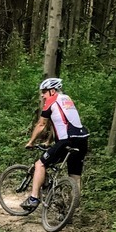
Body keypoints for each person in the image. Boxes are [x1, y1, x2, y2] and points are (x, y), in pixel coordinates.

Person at [23, 77, 88, 212]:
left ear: (52, 91)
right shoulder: (67, 99)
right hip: (82, 139)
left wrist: (31, 142)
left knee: (40, 164)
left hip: (67, 140)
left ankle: (34, 198)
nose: (42, 95)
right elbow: (61, 121)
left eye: (44, 92)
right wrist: (49, 142)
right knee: (75, 176)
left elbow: (41, 124)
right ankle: (71, 211)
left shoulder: (52, 100)